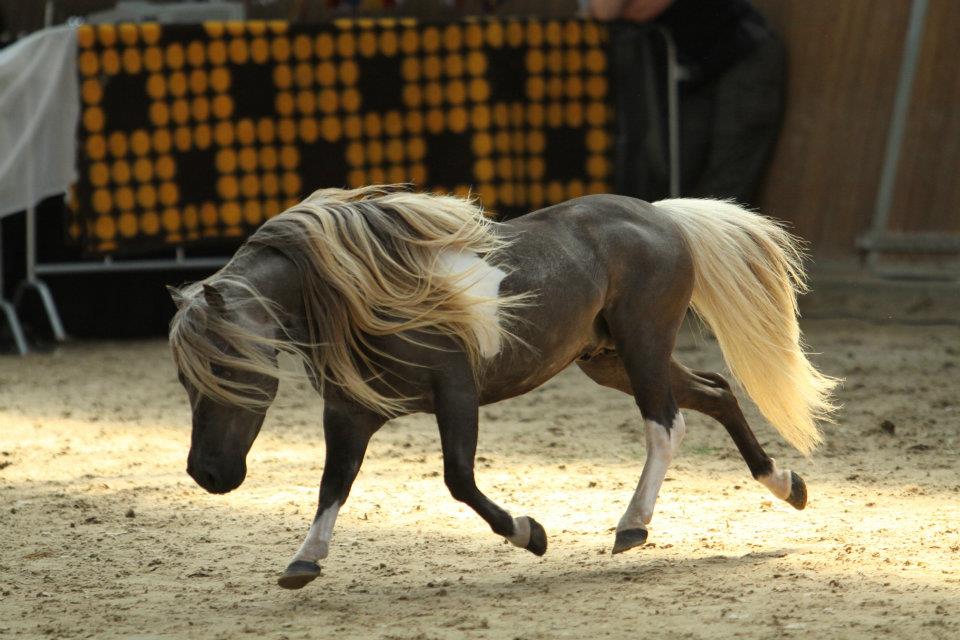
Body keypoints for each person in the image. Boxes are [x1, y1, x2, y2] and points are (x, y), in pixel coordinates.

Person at [589, 0, 785, 206]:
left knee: (723, 190)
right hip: (696, 74)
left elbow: (615, 13)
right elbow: (606, 14)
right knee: (678, 181)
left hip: (741, 58)